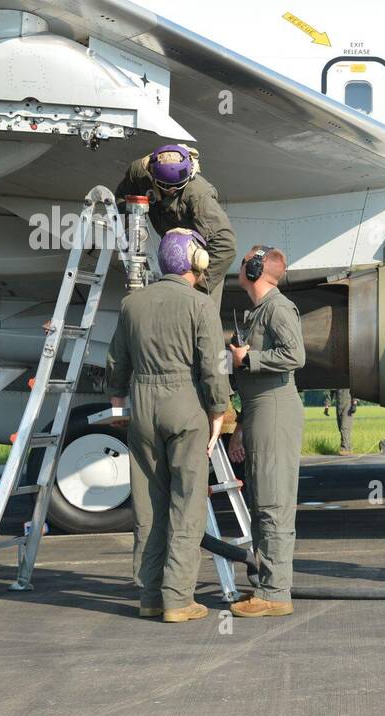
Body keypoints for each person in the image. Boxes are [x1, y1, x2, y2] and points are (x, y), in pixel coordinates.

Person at [106, 228, 230, 622]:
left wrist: (118, 403)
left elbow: (116, 363)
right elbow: (212, 368)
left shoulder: (132, 304)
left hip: (141, 403)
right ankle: (178, 599)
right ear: (196, 261)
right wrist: (219, 412)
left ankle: (150, 596)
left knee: (147, 503)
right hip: (184, 400)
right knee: (187, 501)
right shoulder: (201, 305)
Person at [226, 246, 306, 617]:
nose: (240, 267)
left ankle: (276, 593)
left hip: (275, 411)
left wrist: (249, 359)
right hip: (258, 411)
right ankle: (263, 585)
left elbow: (295, 355)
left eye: (244, 263)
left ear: (255, 269)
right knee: (260, 502)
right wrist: (241, 427)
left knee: (274, 504)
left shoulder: (277, 308)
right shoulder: (258, 311)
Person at [115, 144, 236, 309]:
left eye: (178, 187)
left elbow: (225, 245)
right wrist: (133, 232)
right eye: (166, 187)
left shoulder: (198, 195)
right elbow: (123, 198)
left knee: (197, 312)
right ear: (153, 175)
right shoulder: (139, 172)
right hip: (170, 253)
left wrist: (198, 285)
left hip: (199, 262)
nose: (172, 191)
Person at [323, 389, 358, 454]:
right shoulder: (335, 380)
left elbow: (355, 390)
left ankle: (344, 448)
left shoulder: (349, 379)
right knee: (340, 427)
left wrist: (354, 403)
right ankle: (349, 448)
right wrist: (326, 406)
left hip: (348, 405)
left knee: (344, 427)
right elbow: (330, 393)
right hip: (339, 406)